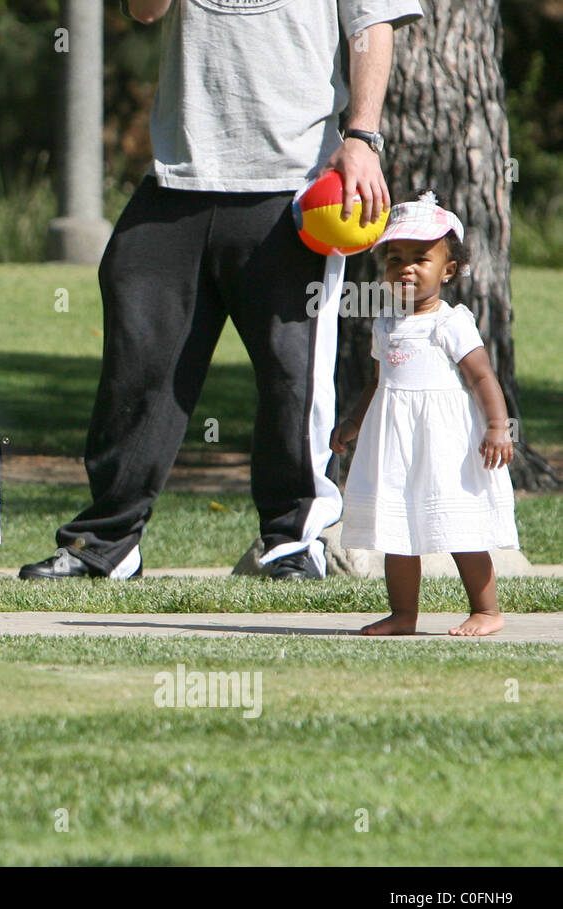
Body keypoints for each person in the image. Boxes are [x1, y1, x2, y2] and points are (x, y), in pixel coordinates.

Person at [21, 0, 423, 583]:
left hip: (294, 184)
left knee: (292, 375)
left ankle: (293, 541)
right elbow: (144, 11)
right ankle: (107, 544)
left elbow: (372, 25)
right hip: (177, 177)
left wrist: (362, 136)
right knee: (137, 364)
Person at [331, 192, 517, 636]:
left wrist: (497, 426)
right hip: (394, 443)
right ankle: (403, 614)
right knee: (398, 530)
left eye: (421, 258)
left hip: (444, 445)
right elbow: (378, 384)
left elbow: (482, 378)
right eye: (395, 259)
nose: (406, 268)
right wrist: (354, 422)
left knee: (460, 528)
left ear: (448, 269)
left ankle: (486, 610)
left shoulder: (449, 322)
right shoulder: (385, 324)